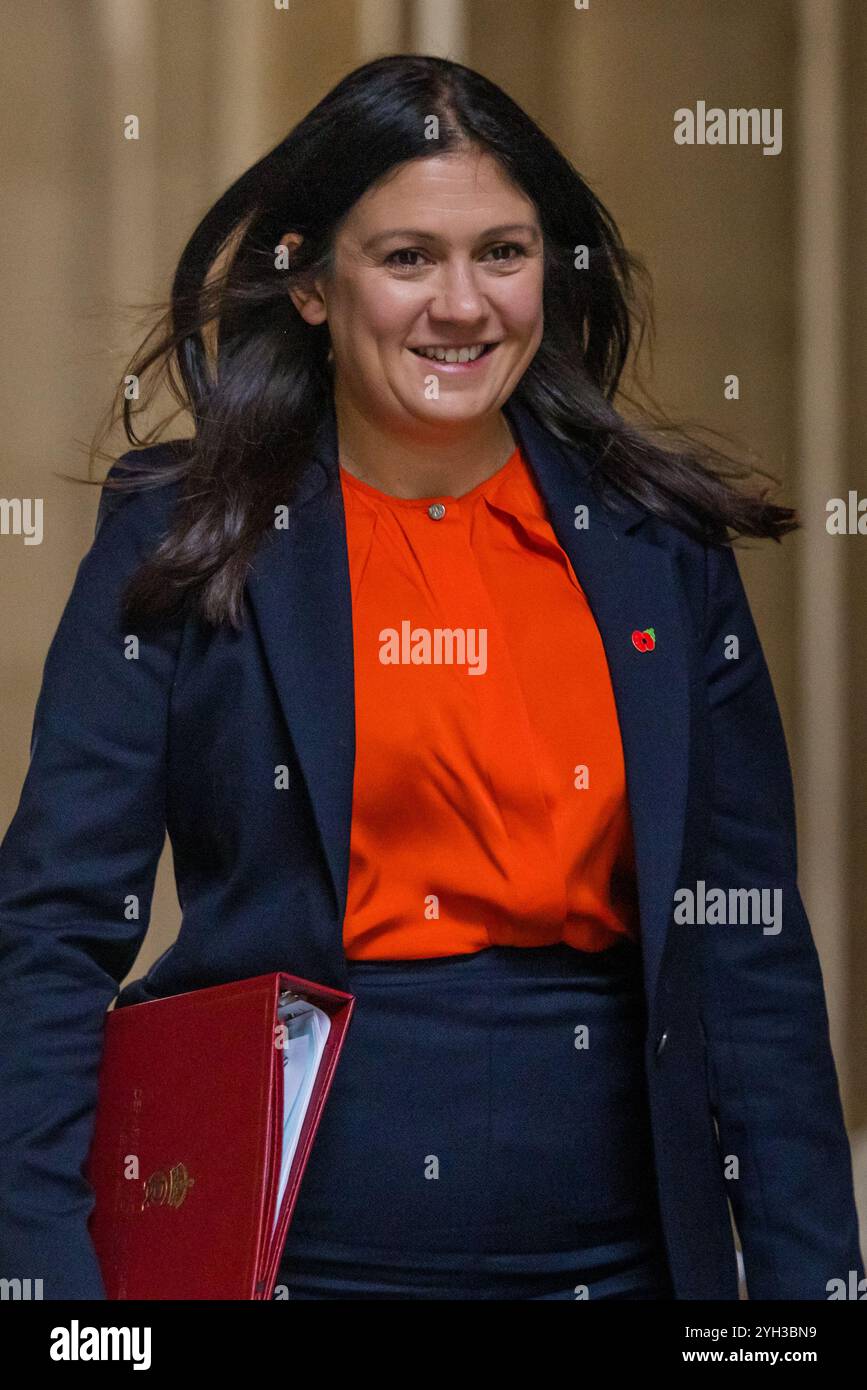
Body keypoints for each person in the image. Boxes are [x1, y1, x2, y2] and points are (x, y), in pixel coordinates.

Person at [0, 53, 862, 1302]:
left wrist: (805, 1300)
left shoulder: (659, 551)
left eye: (502, 254)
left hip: (623, 1269)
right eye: (407, 258)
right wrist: (45, 1286)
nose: (462, 304)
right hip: (286, 1265)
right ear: (309, 283)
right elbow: (56, 934)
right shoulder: (183, 534)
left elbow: (751, 964)